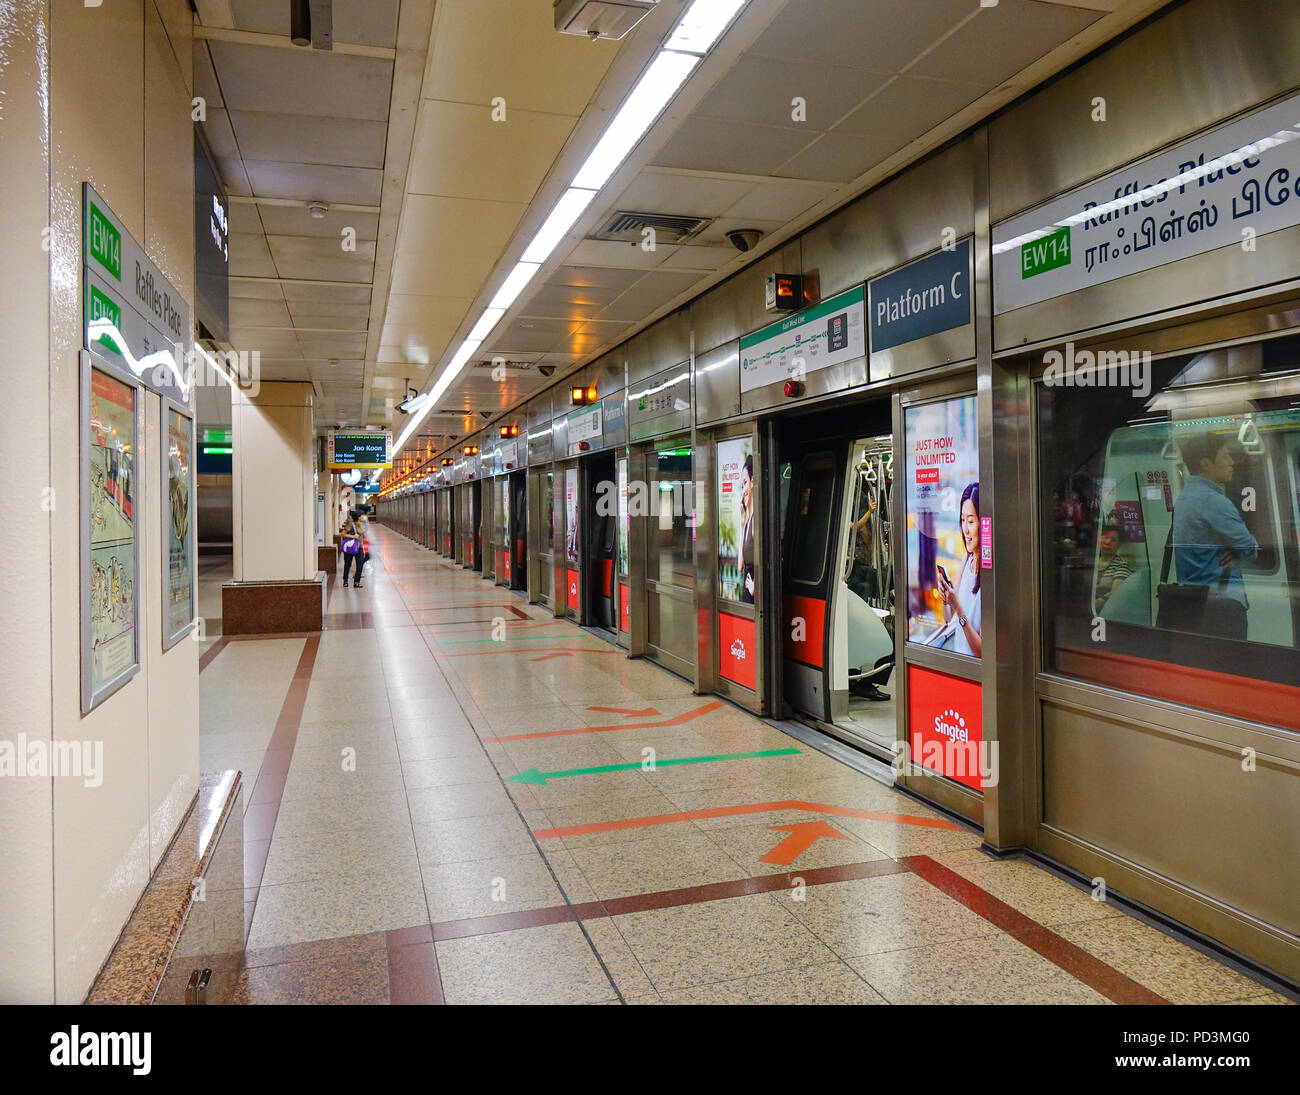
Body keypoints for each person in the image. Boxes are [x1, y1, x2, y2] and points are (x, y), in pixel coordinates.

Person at [1168, 432, 1258, 639]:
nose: (1232, 462)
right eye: (1225, 456)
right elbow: (1251, 550)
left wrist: (1235, 550)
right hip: (1221, 606)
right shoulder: (1213, 501)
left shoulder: (1184, 498)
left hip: (1191, 603)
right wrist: (1238, 550)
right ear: (1206, 464)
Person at [937, 481, 982, 657]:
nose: (965, 529)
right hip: (959, 663)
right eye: (962, 520)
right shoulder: (967, 558)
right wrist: (945, 598)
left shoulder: (990, 573)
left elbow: (981, 651)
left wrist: (959, 608)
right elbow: (948, 618)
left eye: (970, 521)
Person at [739, 454, 756, 604]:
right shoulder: (749, 521)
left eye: (745, 483)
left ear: (752, 482)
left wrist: (756, 588)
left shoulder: (757, 520)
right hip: (747, 595)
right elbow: (740, 566)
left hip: (753, 596)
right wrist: (742, 522)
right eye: (742, 485)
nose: (743, 490)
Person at [340, 508, 368, 589]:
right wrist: (353, 536)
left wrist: (363, 548)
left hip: (359, 547)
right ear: (358, 517)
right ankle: (345, 580)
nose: (364, 517)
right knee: (347, 564)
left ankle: (357, 582)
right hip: (351, 547)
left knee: (360, 563)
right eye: (362, 515)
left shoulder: (361, 525)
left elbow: (362, 537)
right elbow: (343, 534)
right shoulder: (351, 525)